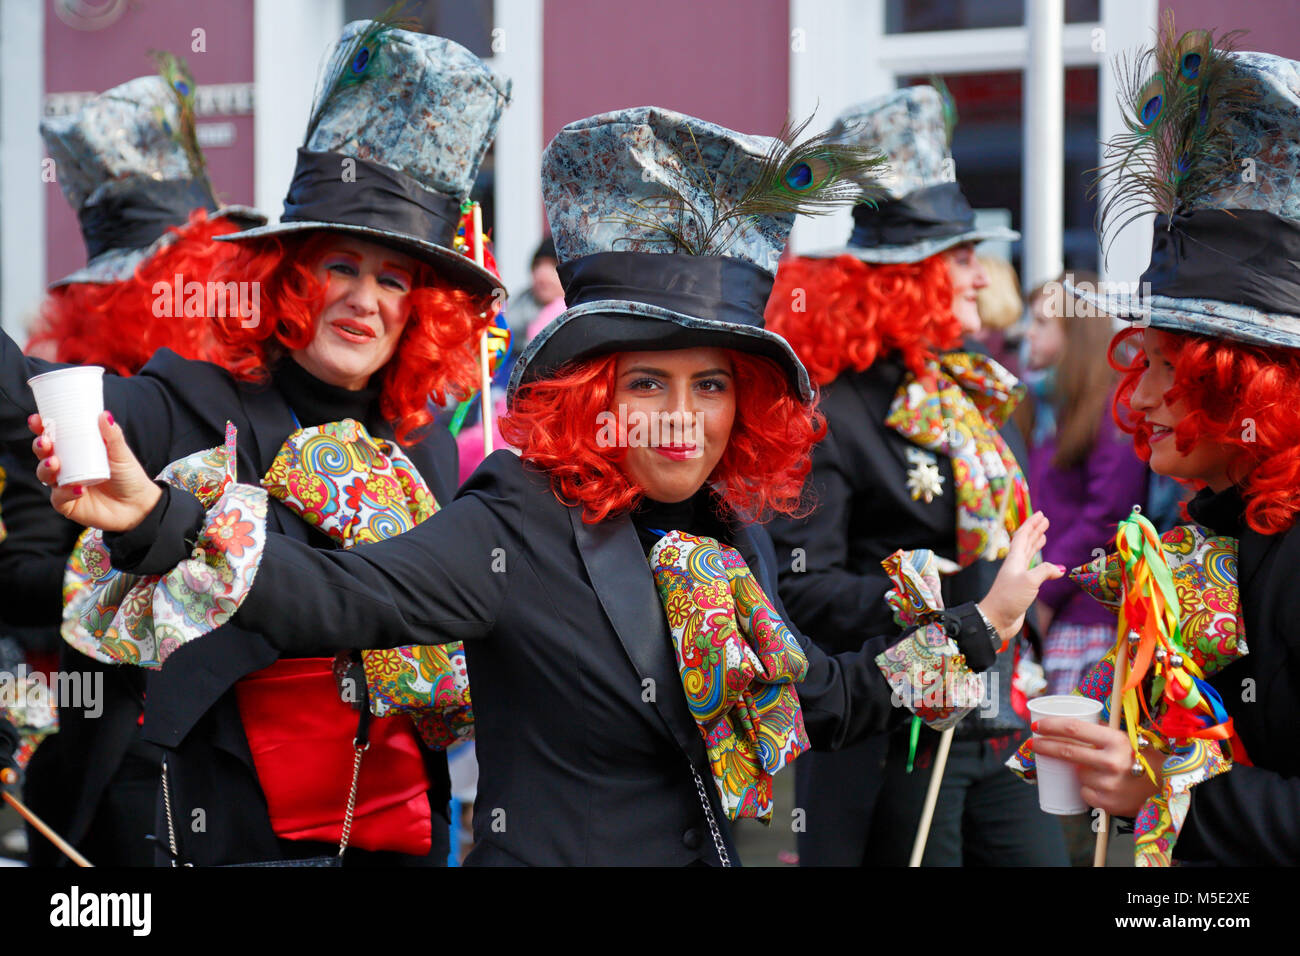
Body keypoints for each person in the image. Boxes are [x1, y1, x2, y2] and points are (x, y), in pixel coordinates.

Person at [29, 106, 1063, 866]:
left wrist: (980, 623)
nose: (679, 414)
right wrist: (160, 519)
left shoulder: (724, 532)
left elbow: (822, 701)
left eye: (711, 384)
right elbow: (340, 594)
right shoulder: (518, 518)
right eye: (645, 380)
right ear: (592, 395)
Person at [3, 22, 509, 866]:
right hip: (210, 824)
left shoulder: (420, 449)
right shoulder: (189, 402)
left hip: (383, 828)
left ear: (421, 310)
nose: (363, 299)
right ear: (289, 280)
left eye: (392, 279)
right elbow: (30, 397)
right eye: (339, 267)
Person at [765, 84, 1067, 866]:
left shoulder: (970, 392)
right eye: (962, 259)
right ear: (908, 278)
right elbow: (801, 589)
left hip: (1002, 719)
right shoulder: (833, 406)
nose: (980, 277)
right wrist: (961, 603)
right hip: (892, 735)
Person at [1029, 38, 1300, 865]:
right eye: (1138, 363)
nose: (1137, 400)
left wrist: (1170, 790)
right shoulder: (1226, 520)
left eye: (1166, 369)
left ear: (1245, 387)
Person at [0, 65, 264, 866]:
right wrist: (129, 557)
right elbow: (17, 574)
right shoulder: (63, 412)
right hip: (119, 760)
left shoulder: (250, 397)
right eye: (184, 278)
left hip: (252, 768)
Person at [1022, 274, 1148, 699]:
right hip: (1058, 608)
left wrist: (1045, 590)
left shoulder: (1111, 408)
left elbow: (1107, 515)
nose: (1028, 332)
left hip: (1087, 616)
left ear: (1076, 332)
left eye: (1041, 322)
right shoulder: (1054, 405)